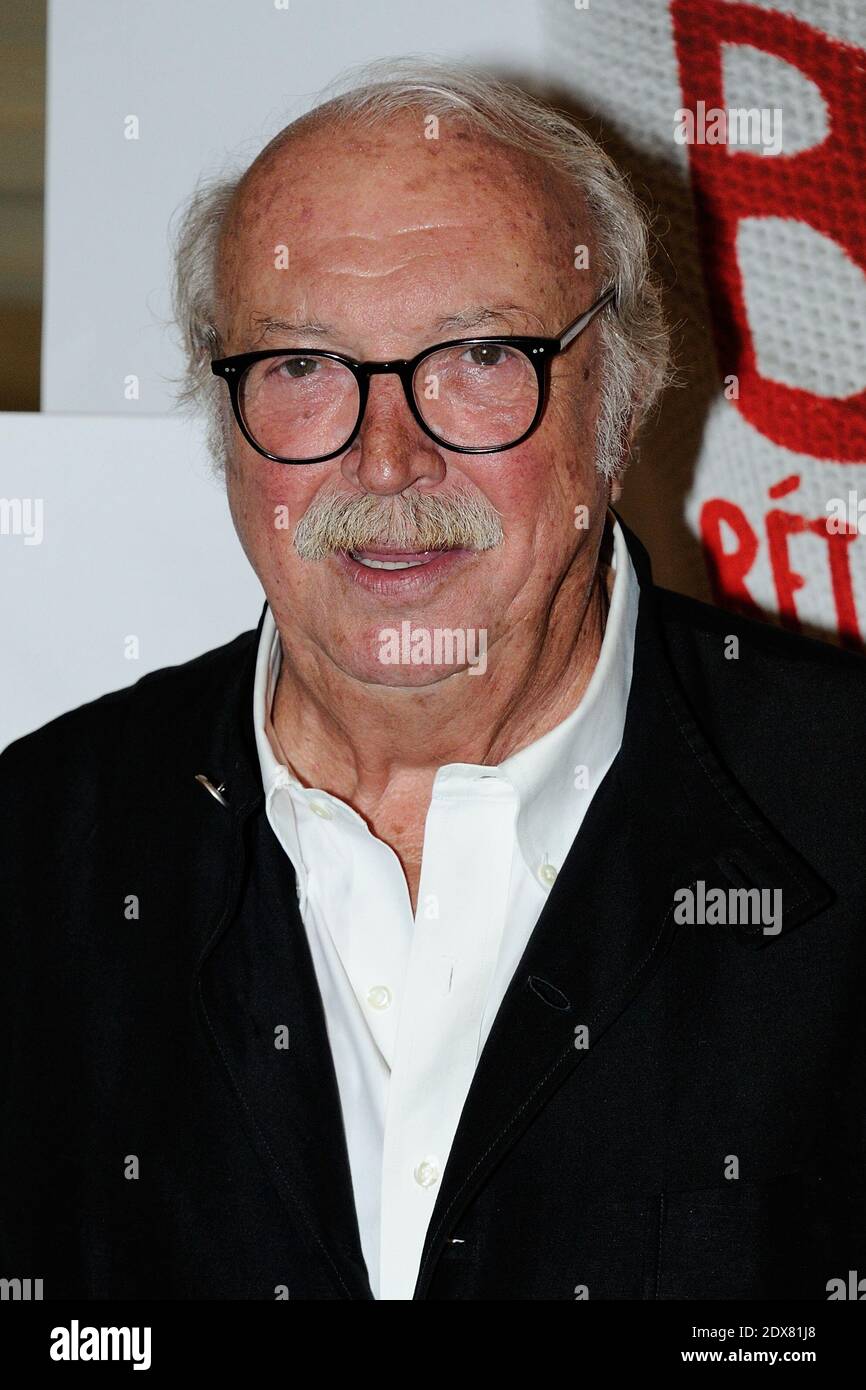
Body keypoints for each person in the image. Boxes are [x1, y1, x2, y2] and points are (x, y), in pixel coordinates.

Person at [2, 58, 865, 1301]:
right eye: (302, 368)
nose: (388, 460)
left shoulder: (839, 809)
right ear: (222, 414)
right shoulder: (38, 858)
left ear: (618, 404)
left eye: (475, 358)